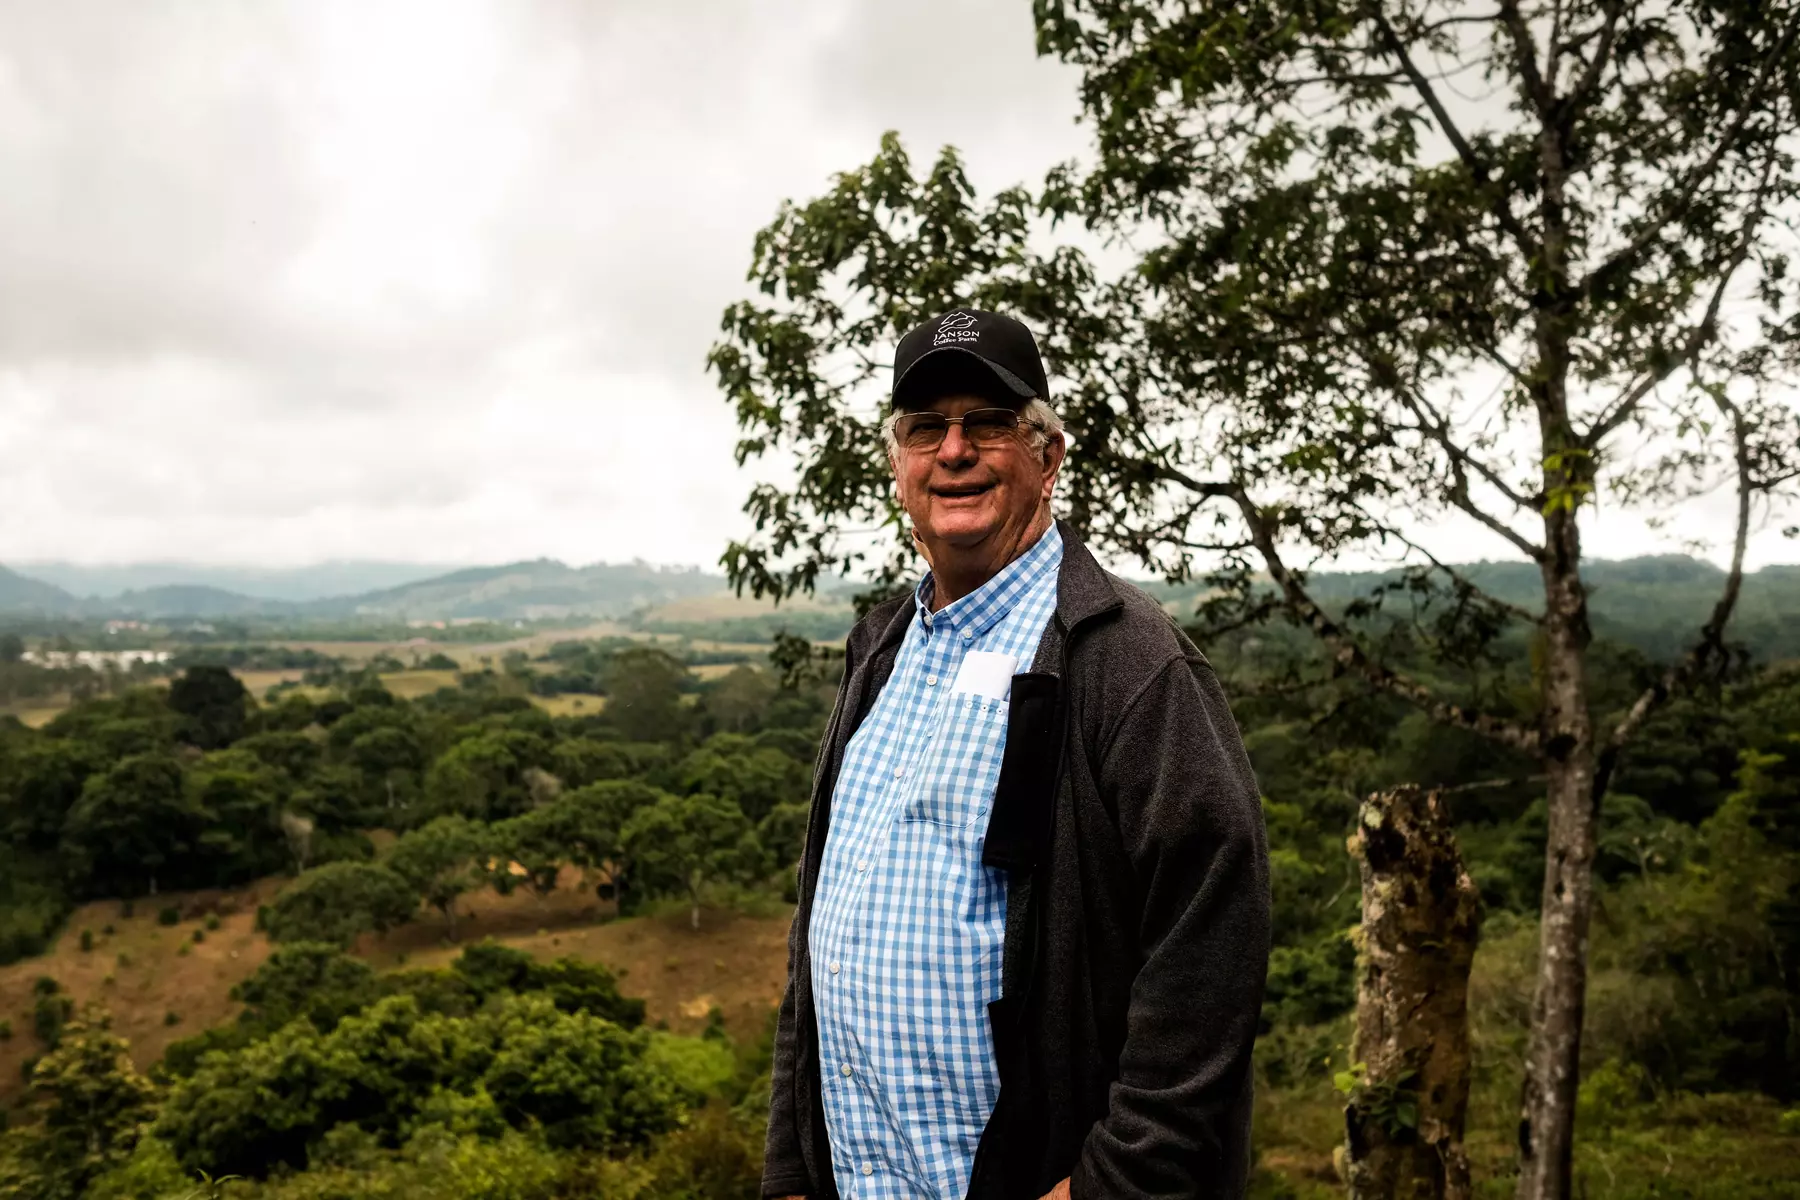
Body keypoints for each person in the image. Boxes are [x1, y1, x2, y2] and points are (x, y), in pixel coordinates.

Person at [764, 309, 1271, 1200]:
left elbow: (1211, 938)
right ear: (898, 465)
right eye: (926, 428)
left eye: (988, 424)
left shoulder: (1125, 660)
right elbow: (820, 937)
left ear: (1048, 456)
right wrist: (791, 1171)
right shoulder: (879, 648)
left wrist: (1115, 1181)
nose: (954, 450)